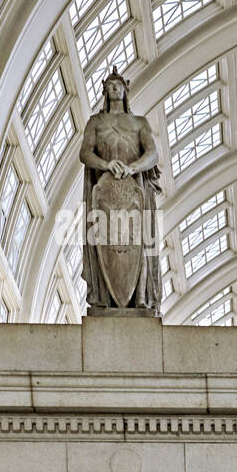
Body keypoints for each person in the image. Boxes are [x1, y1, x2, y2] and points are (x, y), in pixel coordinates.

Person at [79, 68, 162, 313]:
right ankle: (105, 296)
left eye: (119, 85)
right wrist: (107, 165)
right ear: (105, 90)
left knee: (138, 243)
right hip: (106, 195)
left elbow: (153, 154)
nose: (114, 89)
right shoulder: (96, 122)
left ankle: (140, 298)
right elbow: (85, 153)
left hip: (135, 192)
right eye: (110, 85)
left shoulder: (139, 123)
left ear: (126, 89)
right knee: (106, 242)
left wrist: (132, 167)